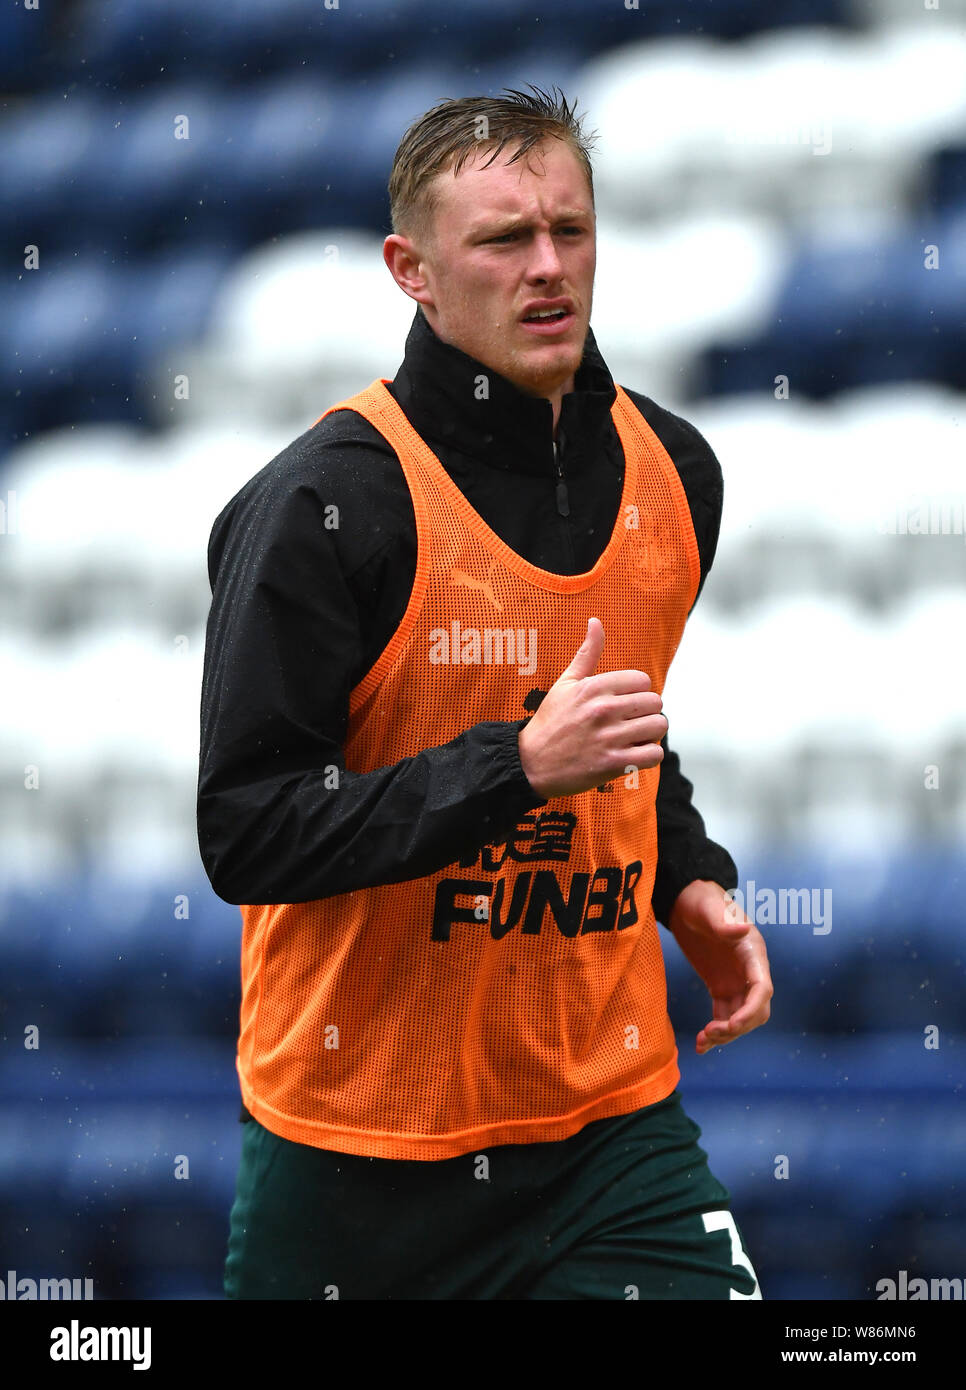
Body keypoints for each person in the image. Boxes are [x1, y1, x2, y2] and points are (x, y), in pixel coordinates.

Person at [198, 84, 773, 1300]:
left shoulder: (677, 472)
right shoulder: (322, 505)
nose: (549, 267)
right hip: (357, 1157)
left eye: (572, 230)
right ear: (411, 268)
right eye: (506, 239)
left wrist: (688, 874)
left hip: (607, 1140)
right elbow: (247, 828)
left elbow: (622, 733)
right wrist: (514, 765)